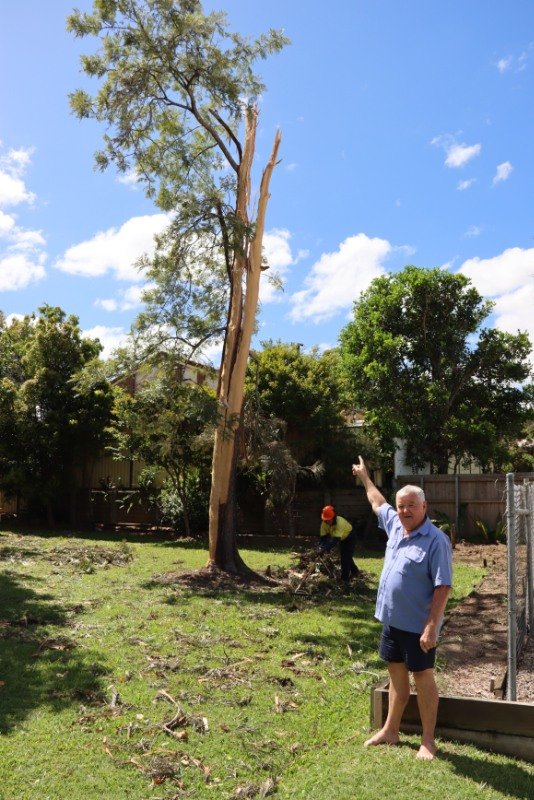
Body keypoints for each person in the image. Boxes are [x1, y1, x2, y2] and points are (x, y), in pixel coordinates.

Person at [352, 456, 452, 760]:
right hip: (392, 622)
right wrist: (365, 478)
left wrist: (431, 627)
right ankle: (391, 730)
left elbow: (443, 587)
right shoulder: (395, 525)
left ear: (424, 507)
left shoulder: (436, 541)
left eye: (411, 505)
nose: (405, 511)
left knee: (422, 678)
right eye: (401, 506)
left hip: (417, 627)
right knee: (396, 676)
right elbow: (377, 502)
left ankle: (428, 741)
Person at [319, 505, 359, 583]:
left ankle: (344, 580)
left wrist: (325, 548)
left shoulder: (339, 523)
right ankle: (355, 571)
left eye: (329, 520)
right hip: (341, 538)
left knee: (345, 559)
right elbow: (323, 538)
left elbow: (335, 541)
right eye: (325, 520)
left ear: (333, 517)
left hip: (350, 537)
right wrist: (321, 547)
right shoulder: (324, 523)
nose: (327, 522)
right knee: (346, 556)